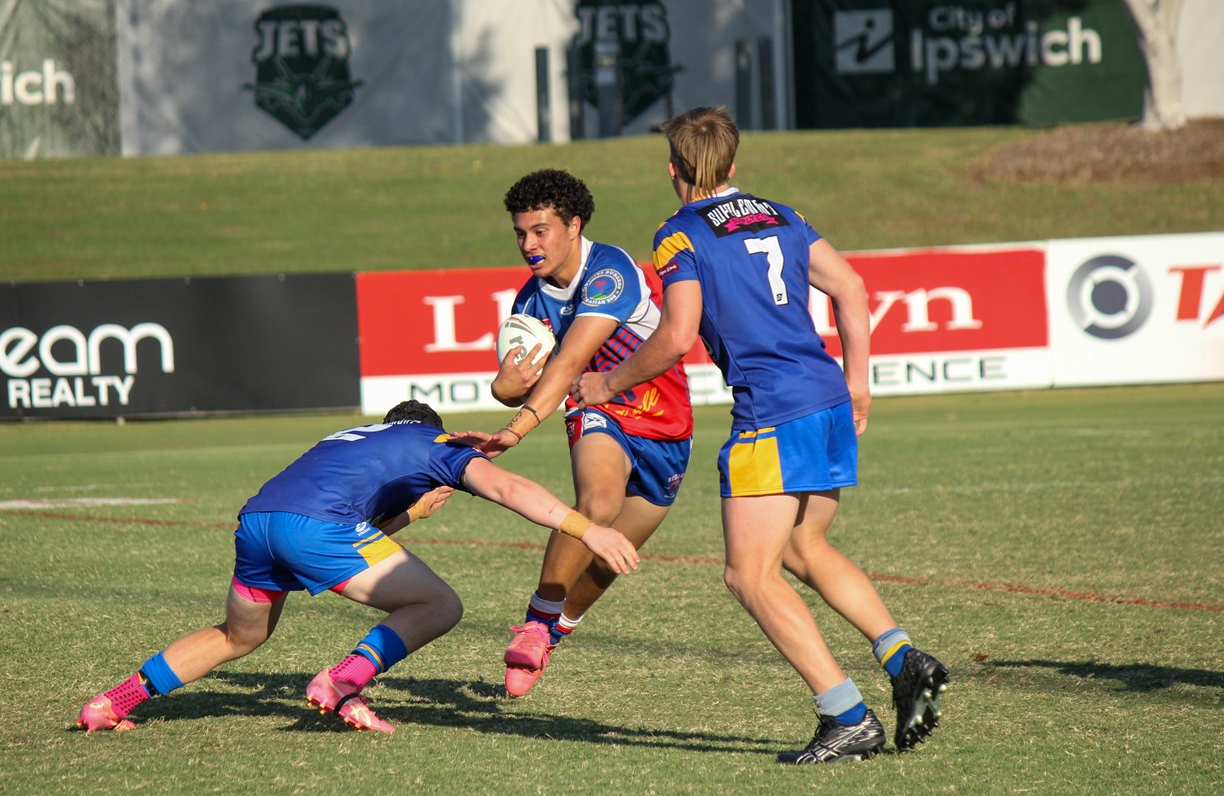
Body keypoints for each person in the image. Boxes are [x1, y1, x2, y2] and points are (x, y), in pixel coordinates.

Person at [572, 106, 948, 763]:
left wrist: (607, 384)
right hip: (826, 398)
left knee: (748, 576)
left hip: (772, 412)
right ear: (734, 163)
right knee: (804, 547)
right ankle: (903, 660)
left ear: (673, 169)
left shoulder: (678, 234)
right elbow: (851, 286)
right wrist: (859, 382)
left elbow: (677, 336)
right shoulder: (782, 214)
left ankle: (846, 716)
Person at [75, 400, 640, 734]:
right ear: (431, 426)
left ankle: (112, 703)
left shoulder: (349, 438)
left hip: (259, 522)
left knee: (238, 636)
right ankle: (343, 680)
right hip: (315, 528)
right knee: (440, 604)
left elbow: (338, 530)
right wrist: (588, 529)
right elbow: (509, 487)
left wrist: (411, 513)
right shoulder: (436, 443)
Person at [463, 169, 693, 698]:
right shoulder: (528, 303)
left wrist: (515, 424)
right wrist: (505, 390)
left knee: (609, 561)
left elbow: (568, 360)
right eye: (521, 233)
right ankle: (536, 622)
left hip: (666, 422)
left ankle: (553, 631)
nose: (528, 244)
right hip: (597, 410)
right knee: (597, 504)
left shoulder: (610, 271)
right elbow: (543, 380)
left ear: (573, 225)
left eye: (540, 231)